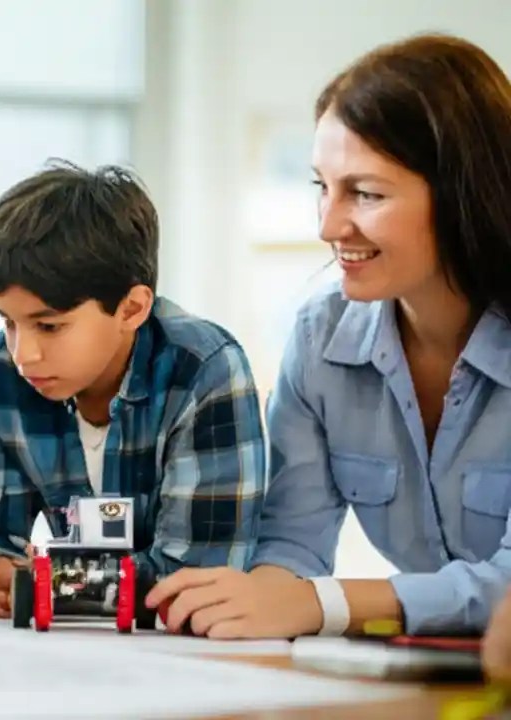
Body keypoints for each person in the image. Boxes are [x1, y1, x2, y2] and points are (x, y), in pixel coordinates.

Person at [147, 33, 511, 639]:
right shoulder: (320, 340)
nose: (328, 225)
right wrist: (238, 602)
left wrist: (321, 603)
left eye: (365, 193)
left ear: (463, 193)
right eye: (322, 186)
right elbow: (290, 543)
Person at [0, 161, 266, 614]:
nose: (24, 354)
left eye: (49, 326)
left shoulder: (204, 370)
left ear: (132, 309)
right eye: (7, 322)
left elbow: (193, 576)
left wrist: (46, 587)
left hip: (193, 651)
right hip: (69, 654)